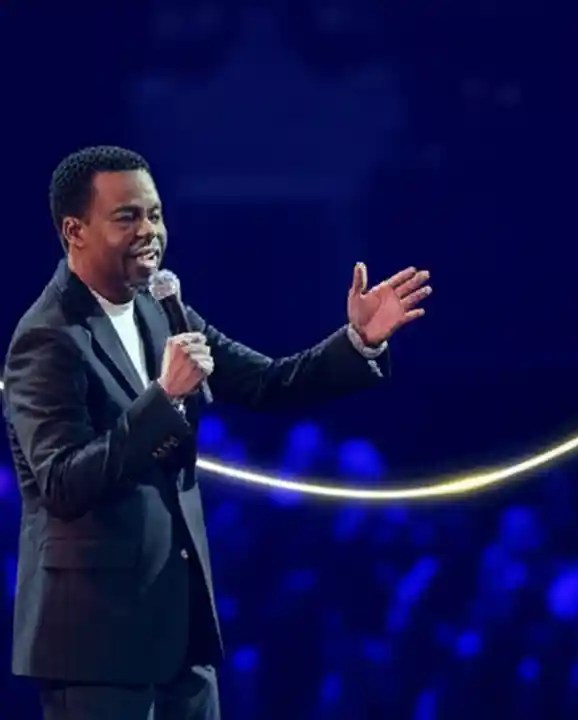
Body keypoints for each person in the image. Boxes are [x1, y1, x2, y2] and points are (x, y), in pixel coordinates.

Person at [3, 145, 432, 720]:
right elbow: (61, 483)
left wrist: (358, 340)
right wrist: (164, 398)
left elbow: (270, 383)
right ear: (74, 231)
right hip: (97, 643)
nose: (149, 231)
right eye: (127, 216)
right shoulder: (47, 338)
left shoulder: (162, 309)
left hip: (182, 632)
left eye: (154, 214)